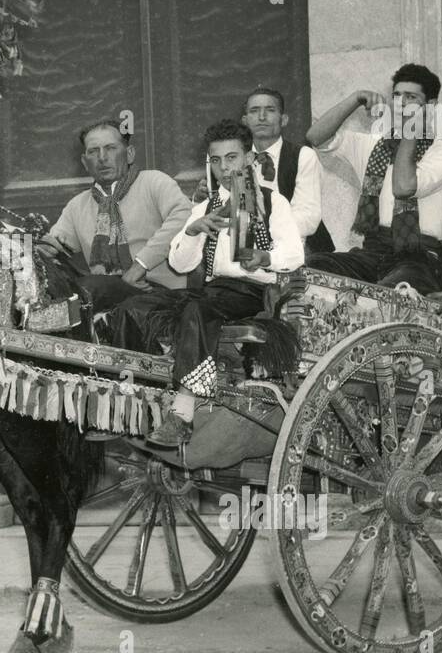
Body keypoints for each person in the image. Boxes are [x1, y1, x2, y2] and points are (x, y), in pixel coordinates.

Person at [124, 120, 304, 448]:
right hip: (212, 290)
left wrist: (264, 258)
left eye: (232, 158)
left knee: (197, 307)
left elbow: (293, 254)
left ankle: (183, 411)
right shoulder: (204, 207)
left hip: (253, 292)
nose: (224, 168)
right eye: (216, 160)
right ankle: (131, 402)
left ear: (250, 158)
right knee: (136, 306)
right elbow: (180, 263)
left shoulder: (271, 201)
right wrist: (194, 231)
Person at [304, 63, 442, 294]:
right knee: (315, 268)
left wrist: (412, 132)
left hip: (418, 258)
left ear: (430, 106)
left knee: (391, 291)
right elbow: (315, 137)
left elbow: (404, 187)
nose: (401, 104)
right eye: (397, 95)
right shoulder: (374, 145)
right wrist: (354, 99)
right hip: (373, 251)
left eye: (411, 97)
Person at [42, 118, 191, 314]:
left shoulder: (154, 182)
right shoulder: (77, 205)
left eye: (111, 148)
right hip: (105, 292)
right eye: (93, 151)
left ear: (129, 154)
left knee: (86, 290)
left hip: (158, 292)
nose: (102, 157)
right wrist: (27, 247)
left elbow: (185, 216)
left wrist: (139, 267)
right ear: (85, 162)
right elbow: (54, 246)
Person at [241, 86, 334, 256]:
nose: (262, 117)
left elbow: (308, 216)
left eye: (270, 110)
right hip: (250, 248)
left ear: (283, 119)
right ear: (245, 120)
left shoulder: (303, 156)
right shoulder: (238, 158)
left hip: (300, 247)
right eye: (254, 111)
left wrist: (263, 237)